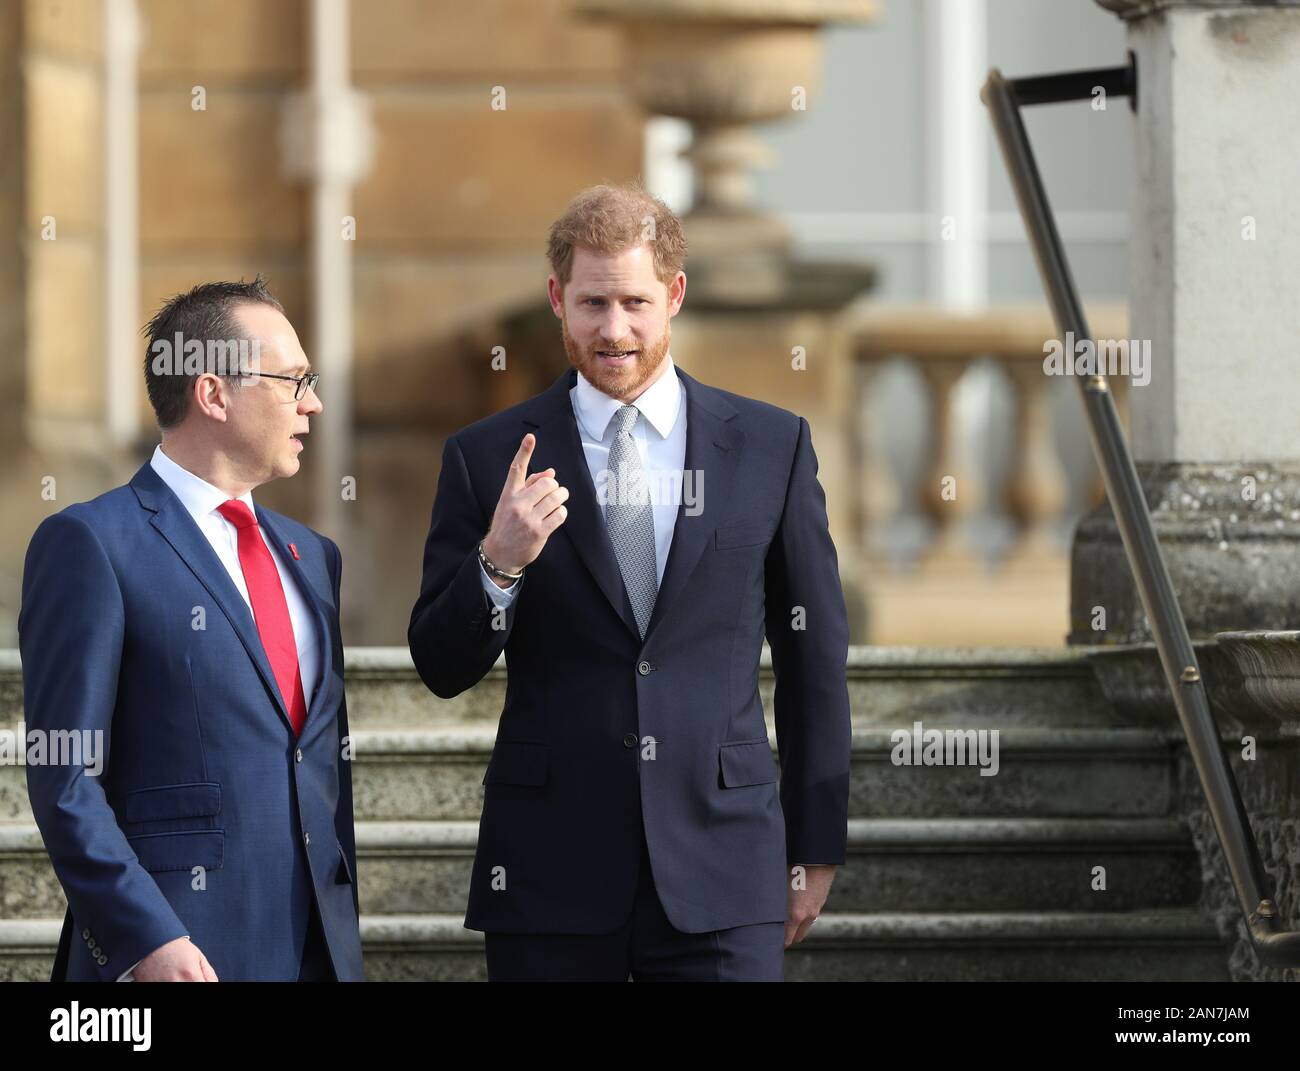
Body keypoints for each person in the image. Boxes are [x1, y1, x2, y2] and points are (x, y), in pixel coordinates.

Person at [409, 184, 851, 981]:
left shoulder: (770, 446)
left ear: (675, 294)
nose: (614, 330)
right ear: (556, 299)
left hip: (726, 864)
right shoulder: (486, 455)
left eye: (635, 302)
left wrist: (813, 844)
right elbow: (441, 665)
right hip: (549, 867)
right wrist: (498, 562)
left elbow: (811, 658)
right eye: (592, 303)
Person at [19, 277, 362, 981]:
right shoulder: (91, 542)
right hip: (177, 955)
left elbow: (322, 772)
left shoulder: (312, 555)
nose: (314, 402)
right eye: (294, 380)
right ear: (213, 393)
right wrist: (144, 938)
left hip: (316, 953)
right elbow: (65, 776)